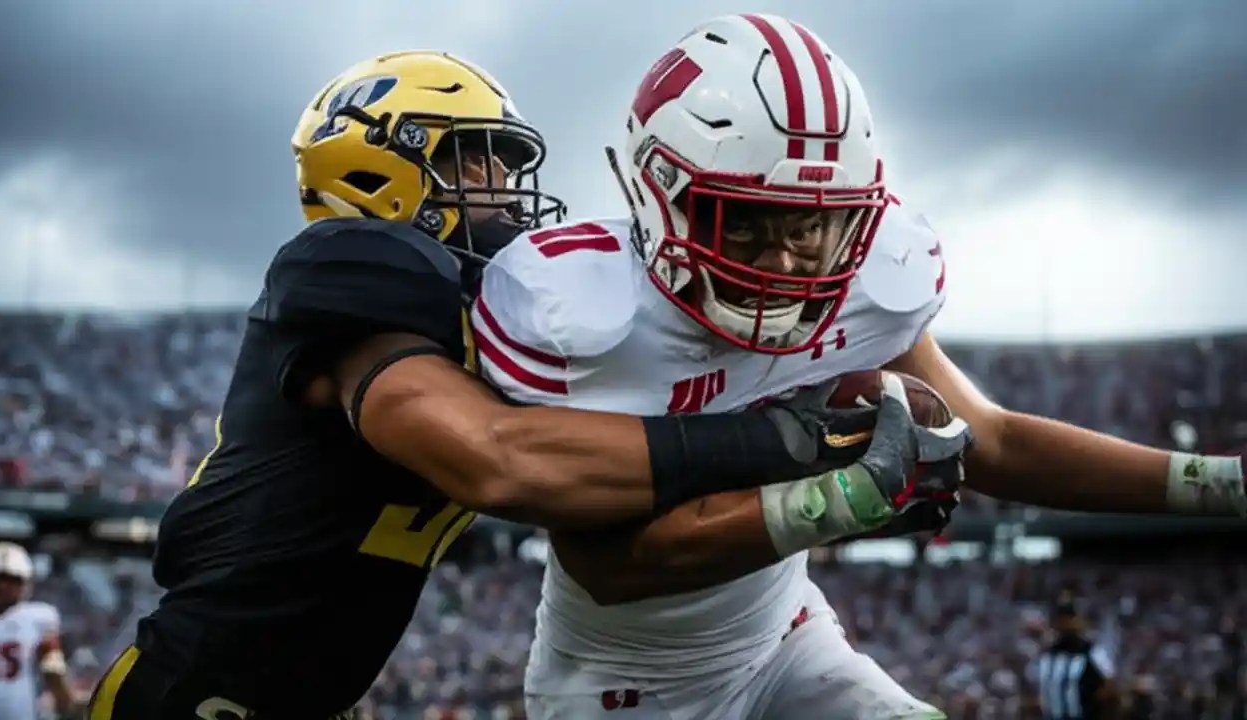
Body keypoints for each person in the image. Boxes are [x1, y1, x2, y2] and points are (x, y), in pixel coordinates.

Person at [86, 50, 950, 720]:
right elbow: (505, 462)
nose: (504, 191)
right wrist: (784, 444)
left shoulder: (474, 313)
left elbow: (596, 457)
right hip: (195, 692)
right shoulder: (351, 264)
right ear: (374, 170)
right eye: (476, 164)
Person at [466, 13, 1247, 719]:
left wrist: (1219, 483)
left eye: (813, 227)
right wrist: (842, 500)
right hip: (621, 684)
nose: (783, 261)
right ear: (655, 190)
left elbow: (994, 443)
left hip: (787, 637)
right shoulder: (580, 312)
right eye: (745, 221)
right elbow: (609, 566)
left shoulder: (870, 286)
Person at [0, 542, 74, 720]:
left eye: (10, 580)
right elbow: (53, 670)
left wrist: (65, 705)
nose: (0, 586)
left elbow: (52, 667)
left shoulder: (39, 617)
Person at [1035, 591, 1119, 719]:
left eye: (1069, 618)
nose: (1065, 624)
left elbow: (1109, 687)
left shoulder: (1091, 652)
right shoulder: (1048, 654)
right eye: (1061, 619)